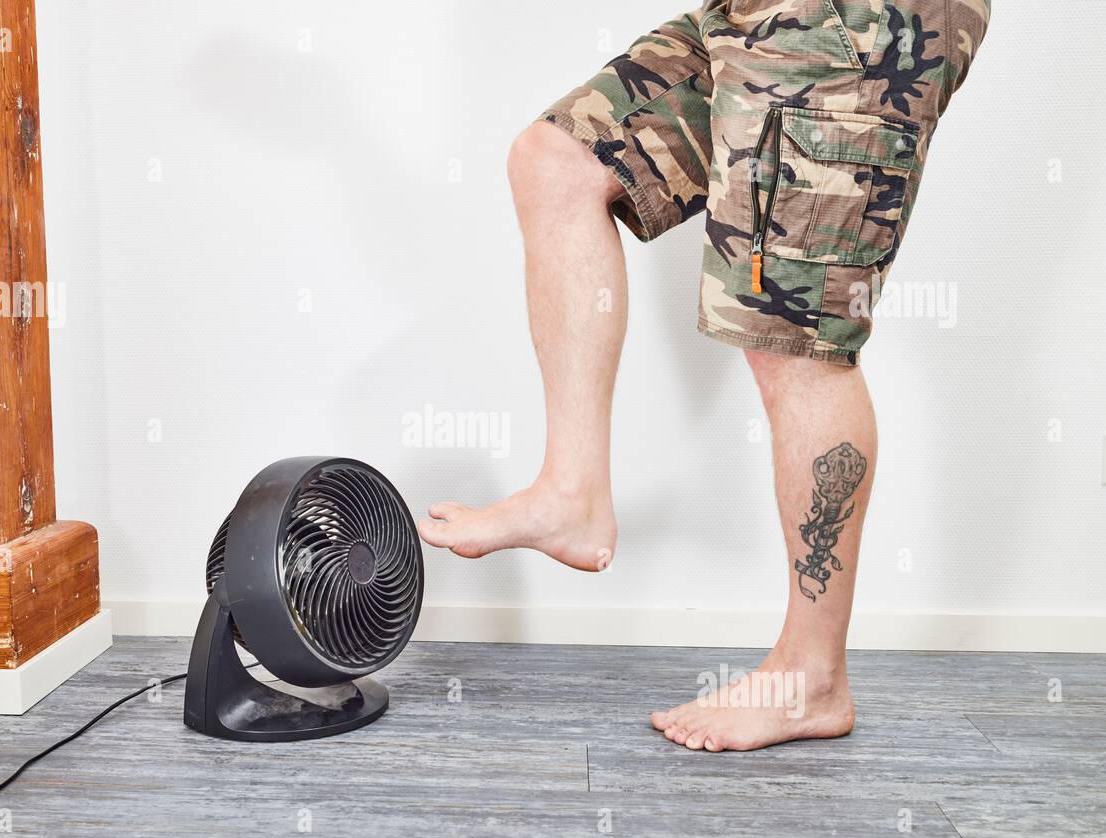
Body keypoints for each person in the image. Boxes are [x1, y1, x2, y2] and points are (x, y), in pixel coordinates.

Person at [418, 0, 991, 751]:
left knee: (793, 335)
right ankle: (572, 493)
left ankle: (813, 677)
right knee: (556, 163)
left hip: (855, 18)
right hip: (753, 13)